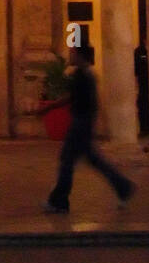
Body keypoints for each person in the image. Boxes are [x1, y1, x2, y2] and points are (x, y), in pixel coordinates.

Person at [43, 42, 136, 212]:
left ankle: (59, 201)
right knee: (93, 161)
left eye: (73, 52)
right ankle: (123, 187)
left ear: (80, 55)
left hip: (80, 123)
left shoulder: (84, 75)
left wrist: (50, 107)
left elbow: (75, 98)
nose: (70, 55)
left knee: (67, 162)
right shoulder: (85, 74)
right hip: (82, 123)